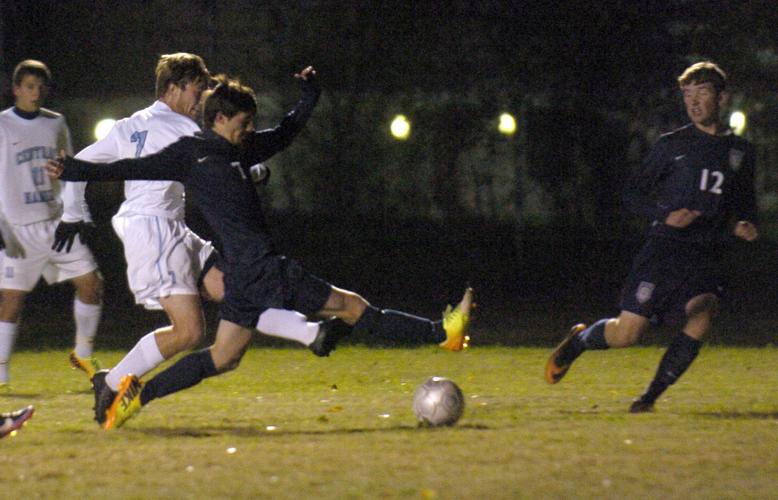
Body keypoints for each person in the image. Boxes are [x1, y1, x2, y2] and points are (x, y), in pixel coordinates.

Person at [48, 66, 473, 430]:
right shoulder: (187, 155)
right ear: (219, 118)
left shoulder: (238, 148)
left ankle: (135, 398)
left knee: (224, 356)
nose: (249, 131)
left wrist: (309, 96)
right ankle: (441, 333)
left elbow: (285, 133)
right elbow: (129, 167)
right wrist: (74, 169)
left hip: (242, 271)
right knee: (353, 306)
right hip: (263, 268)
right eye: (243, 123)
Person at [57, 53, 340, 425]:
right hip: (153, 230)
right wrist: (253, 171)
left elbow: (81, 165)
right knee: (190, 330)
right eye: (197, 88)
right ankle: (109, 382)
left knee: (235, 288)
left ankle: (310, 333)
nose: (202, 96)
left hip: (169, 227)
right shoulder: (184, 130)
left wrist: (72, 214)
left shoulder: (128, 126)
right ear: (173, 88)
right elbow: (227, 158)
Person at [544, 61, 758, 413]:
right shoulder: (671, 145)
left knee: (703, 314)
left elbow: (743, 203)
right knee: (627, 334)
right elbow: (632, 194)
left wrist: (746, 222)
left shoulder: (741, 152)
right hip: (665, 250)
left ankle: (648, 398)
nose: (694, 102)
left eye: (702, 93)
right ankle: (580, 340)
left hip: (705, 255)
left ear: (722, 97)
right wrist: (664, 215)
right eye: (687, 95)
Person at [0, 60, 103, 388]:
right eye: (29, 86)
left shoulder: (55, 122)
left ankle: (83, 354)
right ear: (16, 89)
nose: (36, 93)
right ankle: (0, 371)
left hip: (56, 223)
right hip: (19, 228)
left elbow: (69, 170)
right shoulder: (2, 124)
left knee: (92, 284)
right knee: (12, 300)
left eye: (41, 87)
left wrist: (77, 215)